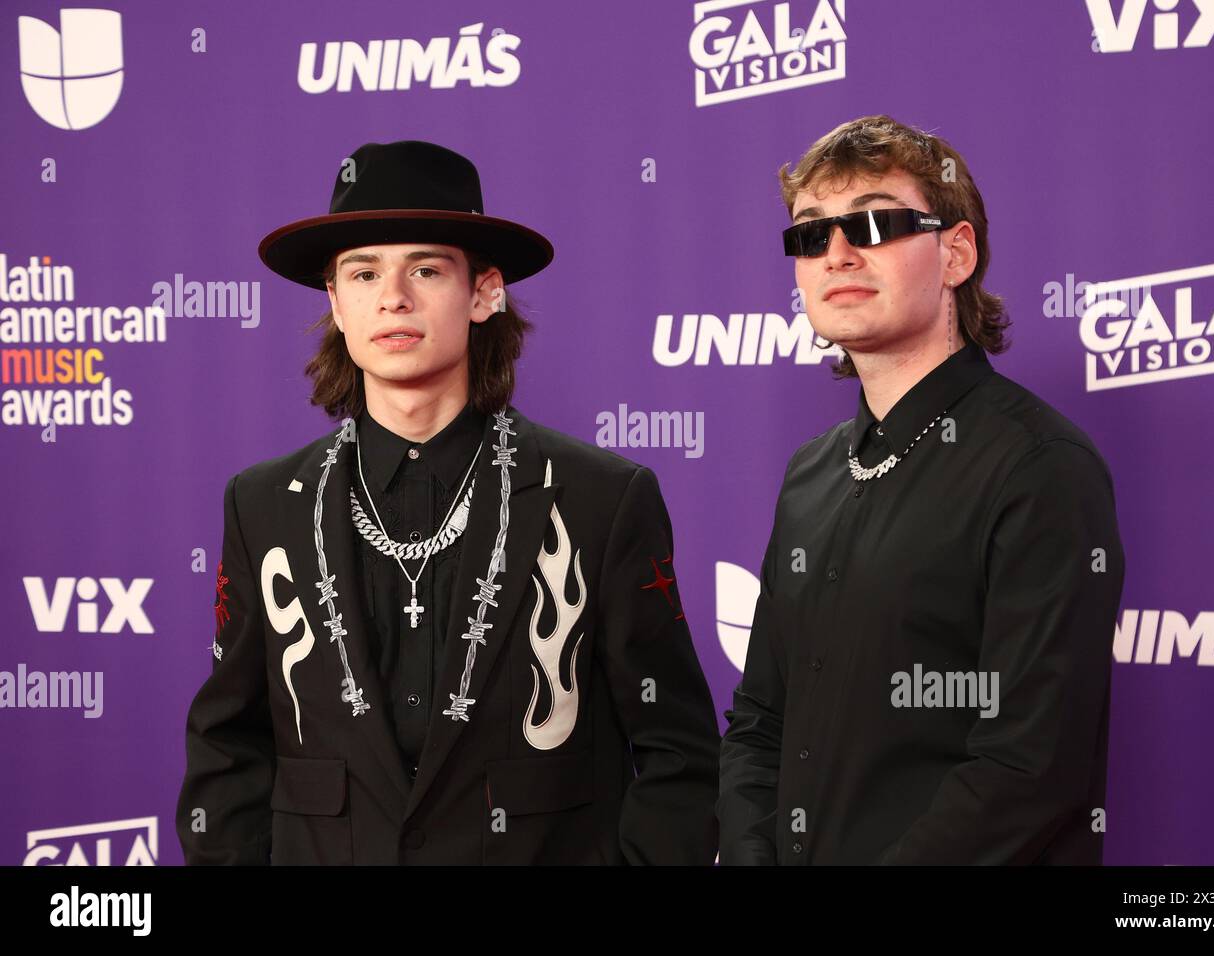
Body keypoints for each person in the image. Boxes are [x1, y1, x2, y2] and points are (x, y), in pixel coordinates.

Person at [177, 140, 720, 865]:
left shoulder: (603, 498)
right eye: (364, 273)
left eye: (425, 269)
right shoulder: (263, 504)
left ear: (484, 292)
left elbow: (679, 754)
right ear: (336, 303)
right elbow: (227, 748)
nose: (393, 297)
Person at [717, 115, 1125, 864]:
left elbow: (1027, 767)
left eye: (874, 223)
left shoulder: (1040, 466)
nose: (837, 253)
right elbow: (761, 722)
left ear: (956, 254)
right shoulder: (811, 472)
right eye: (811, 234)